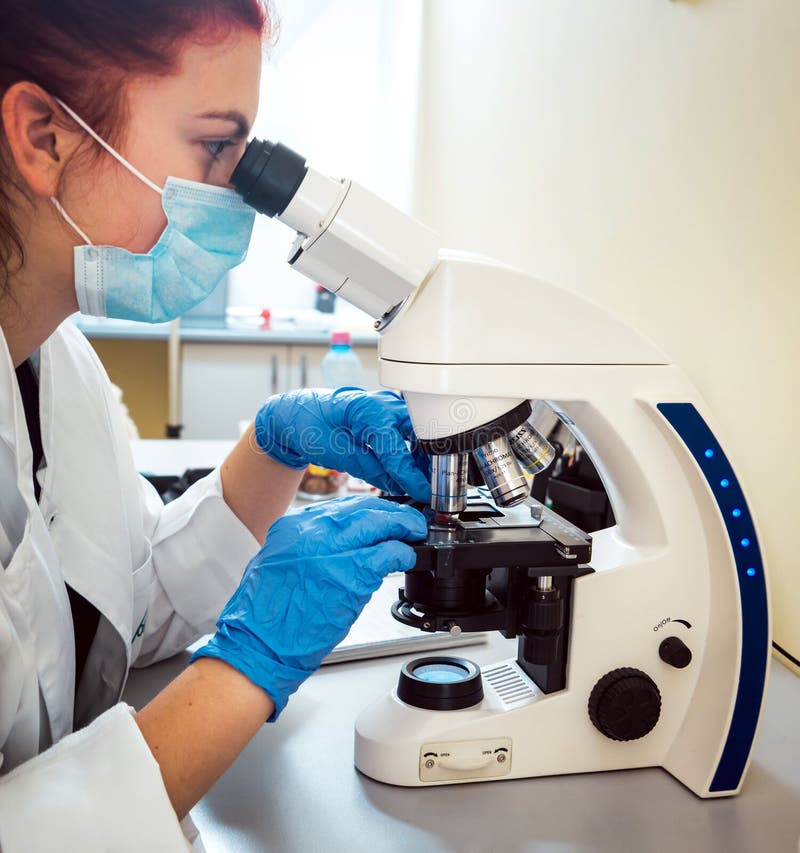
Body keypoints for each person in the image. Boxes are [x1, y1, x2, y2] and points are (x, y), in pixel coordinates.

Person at [0, 2, 431, 849]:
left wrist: (272, 447)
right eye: (214, 146)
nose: (239, 191)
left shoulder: (60, 361)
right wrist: (247, 667)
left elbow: (117, 609)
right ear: (44, 135)